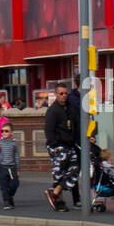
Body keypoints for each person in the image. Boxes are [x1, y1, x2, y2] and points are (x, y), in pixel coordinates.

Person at [43, 84, 81, 212]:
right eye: (61, 93)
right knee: (59, 173)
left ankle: (55, 191)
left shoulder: (71, 108)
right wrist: (54, 145)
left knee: (75, 168)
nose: (64, 96)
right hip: (57, 145)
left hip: (70, 145)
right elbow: (48, 130)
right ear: (56, 94)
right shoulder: (53, 110)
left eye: (66, 93)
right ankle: (59, 201)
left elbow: (77, 123)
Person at [0, 121, 20, 209]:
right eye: (2, 131)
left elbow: (17, 156)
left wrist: (18, 169)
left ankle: (9, 197)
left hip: (12, 167)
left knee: (15, 184)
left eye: (6, 131)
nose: (4, 133)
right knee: (4, 186)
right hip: (2, 168)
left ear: (11, 133)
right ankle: (7, 203)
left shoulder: (14, 143)